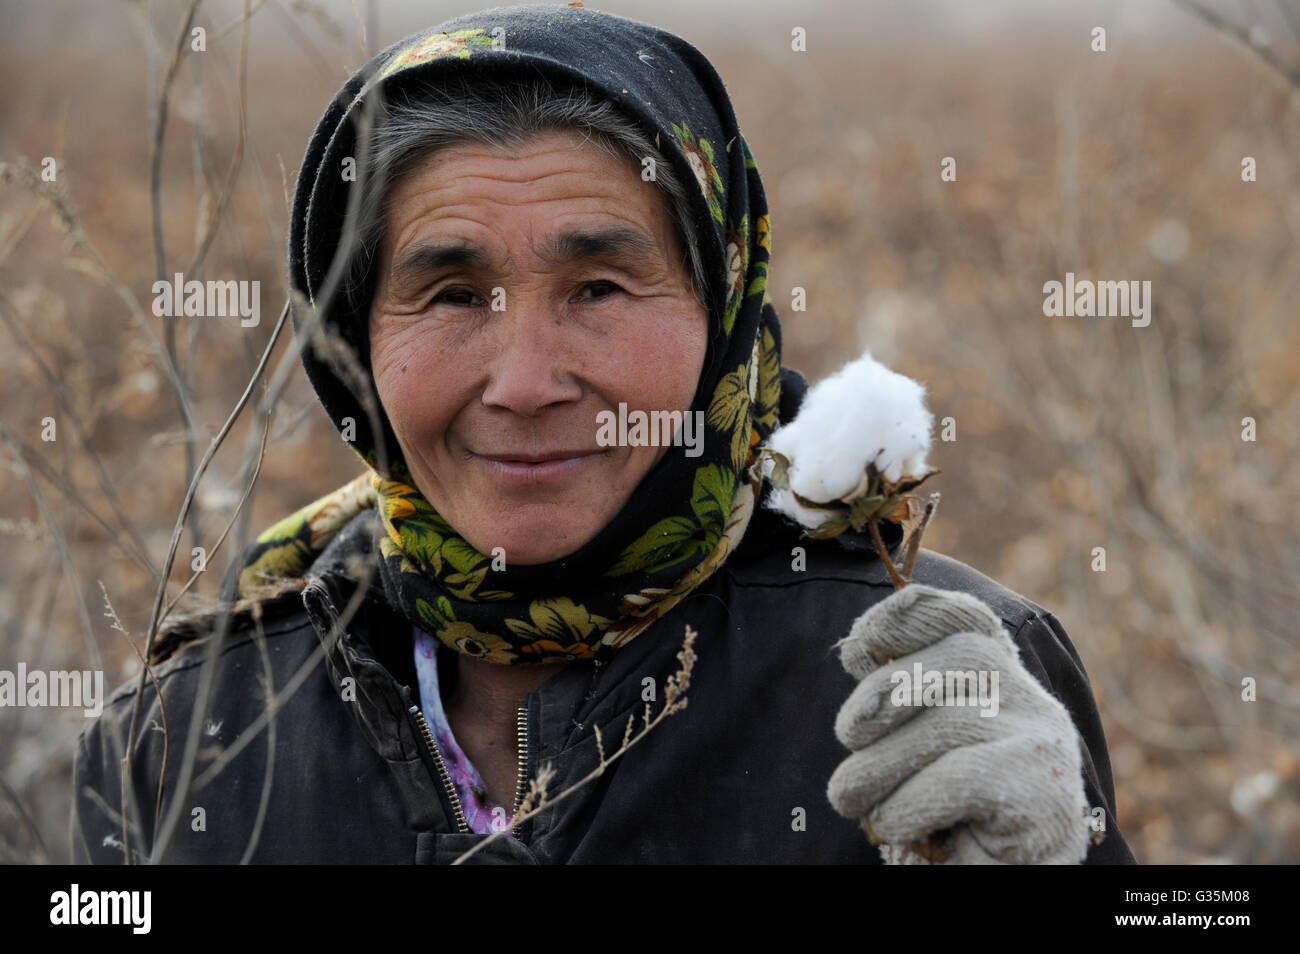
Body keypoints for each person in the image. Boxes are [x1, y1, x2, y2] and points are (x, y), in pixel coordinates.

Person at [71, 3, 1135, 864]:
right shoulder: (190, 738)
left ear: (721, 313)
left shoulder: (937, 680)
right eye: (449, 295)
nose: (527, 382)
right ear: (350, 340)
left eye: (600, 286)